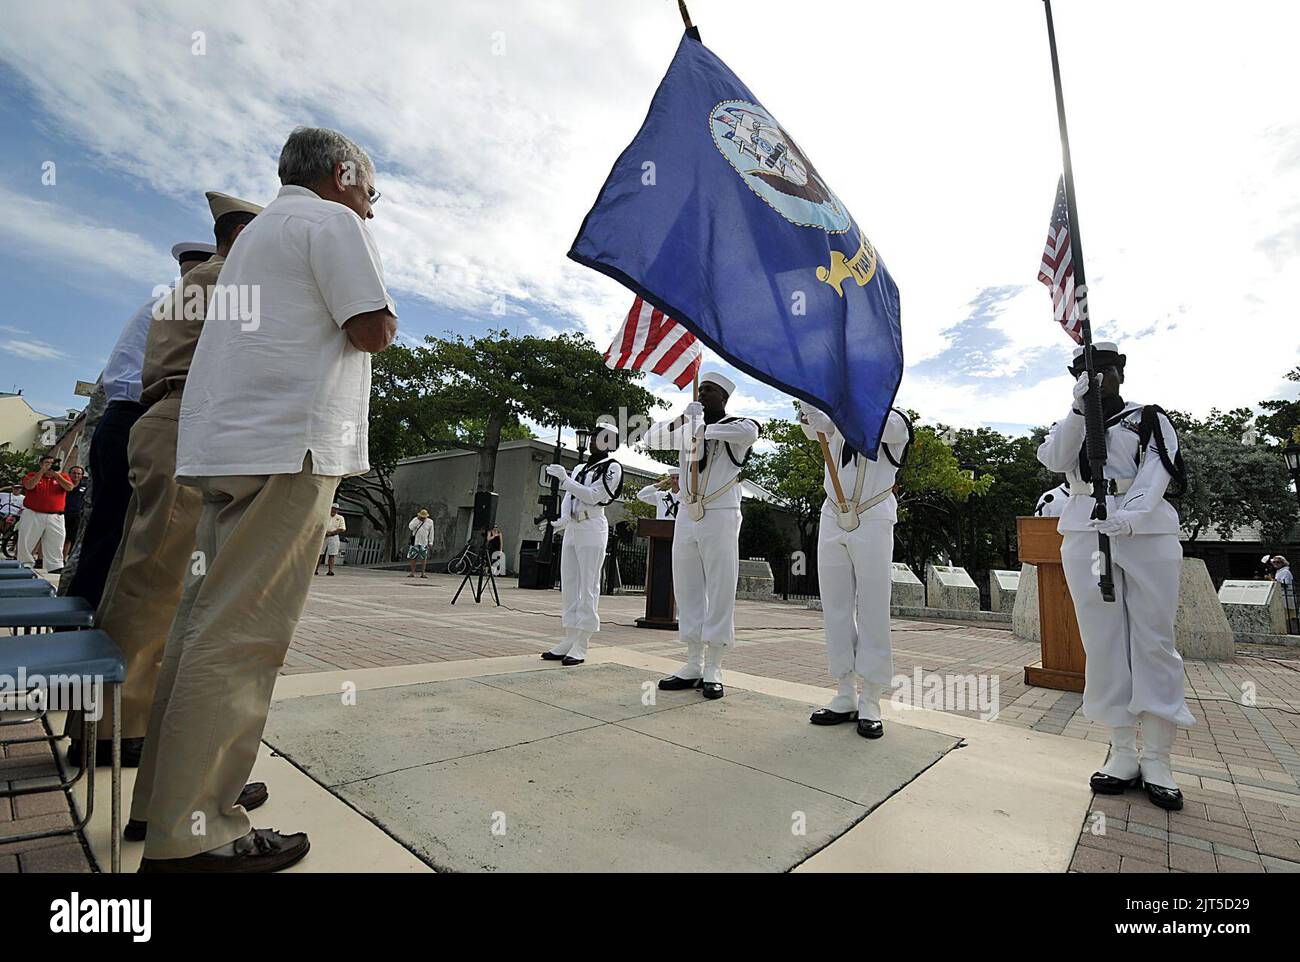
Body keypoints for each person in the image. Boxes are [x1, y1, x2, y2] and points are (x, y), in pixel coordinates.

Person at [131, 127, 396, 874]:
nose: (371, 212)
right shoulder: (331, 220)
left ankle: (162, 799)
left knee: (201, 622)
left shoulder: (255, 237)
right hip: (291, 446)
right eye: (370, 192)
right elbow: (370, 329)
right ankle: (198, 830)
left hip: (227, 445)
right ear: (343, 174)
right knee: (243, 635)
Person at [64, 191, 263, 770]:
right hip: (183, 422)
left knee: (147, 571)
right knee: (154, 579)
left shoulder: (199, 280)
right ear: (245, 237)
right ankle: (113, 726)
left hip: (164, 422)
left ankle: (114, 718)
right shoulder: (226, 281)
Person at [1037, 341, 1193, 812]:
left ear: (1120, 373)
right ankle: (1123, 751)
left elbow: (1157, 470)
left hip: (1143, 530)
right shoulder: (1072, 421)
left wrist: (1134, 516)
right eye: (1086, 373)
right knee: (1103, 641)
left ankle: (1159, 758)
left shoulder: (1148, 417)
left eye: (1104, 370)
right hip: (1087, 528)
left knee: (1153, 640)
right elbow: (1054, 458)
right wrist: (1077, 409)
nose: (1098, 379)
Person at [64, 241, 217, 608]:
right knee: (137, 537)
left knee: (107, 531)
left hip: (119, 419)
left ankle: (77, 622)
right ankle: (98, 635)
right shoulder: (186, 307)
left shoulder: (161, 304)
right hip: (141, 417)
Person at [643, 372, 760, 698]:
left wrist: (703, 428)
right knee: (688, 586)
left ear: (723, 397)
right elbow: (652, 438)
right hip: (688, 513)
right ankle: (693, 661)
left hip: (720, 514)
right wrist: (685, 419)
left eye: (707, 391)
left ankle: (714, 665)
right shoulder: (687, 428)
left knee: (720, 587)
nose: (701, 395)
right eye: (699, 390)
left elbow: (751, 431)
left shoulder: (735, 427)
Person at [800, 401, 912, 739]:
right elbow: (811, 428)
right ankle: (845, 691)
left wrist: (835, 413)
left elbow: (883, 426)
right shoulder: (835, 416)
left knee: (873, 607)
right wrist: (810, 405)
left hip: (873, 516)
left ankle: (872, 698)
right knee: (835, 607)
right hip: (833, 514)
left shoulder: (896, 420)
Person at [540, 420, 623, 666]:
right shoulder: (579, 469)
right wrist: (562, 520)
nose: (593, 440)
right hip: (574, 527)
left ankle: (583, 642)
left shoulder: (612, 468)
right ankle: (570, 636)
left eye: (600, 436)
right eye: (594, 435)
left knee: (588, 585)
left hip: (592, 525)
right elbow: (569, 497)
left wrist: (566, 480)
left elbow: (596, 496)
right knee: (570, 583)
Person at [18, 455, 74, 571]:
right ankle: (25, 563)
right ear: (41, 464)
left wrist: (56, 475)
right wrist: (42, 472)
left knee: (56, 540)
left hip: (55, 516)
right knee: (27, 539)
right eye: (47, 463)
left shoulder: (62, 476)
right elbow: (29, 485)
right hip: (33, 513)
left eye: (51, 463)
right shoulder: (32, 475)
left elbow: (69, 488)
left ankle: (55, 566)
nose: (49, 465)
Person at [62, 465, 88, 557]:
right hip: (62, 514)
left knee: (69, 538)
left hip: (76, 516)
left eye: (79, 474)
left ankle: (63, 558)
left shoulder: (85, 486)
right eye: (74, 473)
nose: (76, 475)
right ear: (69, 474)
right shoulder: (63, 484)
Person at [316, 503, 346, 575]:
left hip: (334, 537)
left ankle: (330, 571)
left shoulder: (340, 518)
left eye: (336, 509)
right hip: (323, 536)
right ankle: (315, 570)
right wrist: (325, 533)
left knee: (332, 554)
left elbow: (342, 528)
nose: (334, 510)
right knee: (320, 554)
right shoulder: (325, 516)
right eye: (333, 508)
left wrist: (332, 533)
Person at [408, 509, 434, 578]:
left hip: (424, 542)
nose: (423, 518)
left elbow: (431, 533)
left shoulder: (430, 522)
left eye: (424, 517)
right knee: (413, 557)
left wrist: (430, 542)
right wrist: (418, 522)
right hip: (415, 542)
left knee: (424, 558)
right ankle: (412, 572)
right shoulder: (415, 520)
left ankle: (423, 573)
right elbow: (410, 527)